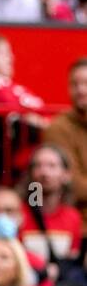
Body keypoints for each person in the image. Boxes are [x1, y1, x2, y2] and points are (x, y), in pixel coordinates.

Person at [44, 59, 87, 217]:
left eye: (85, 83)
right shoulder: (58, 128)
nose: (80, 90)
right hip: (79, 223)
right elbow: (72, 184)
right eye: (74, 84)